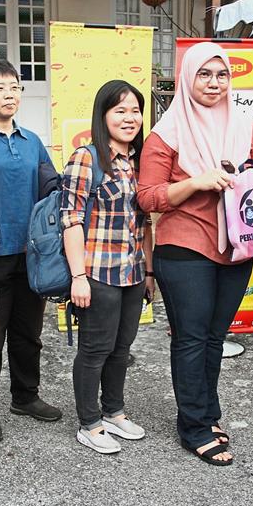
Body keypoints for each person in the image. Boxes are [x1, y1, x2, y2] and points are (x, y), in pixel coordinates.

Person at [138, 42, 253, 467]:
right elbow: (148, 197)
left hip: (236, 245)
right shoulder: (167, 131)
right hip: (184, 245)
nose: (214, 83)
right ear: (186, 78)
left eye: (221, 75)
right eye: (204, 74)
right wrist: (196, 182)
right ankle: (193, 426)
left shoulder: (244, 124)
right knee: (191, 338)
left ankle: (207, 413)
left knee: (214, 337)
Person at [0, 59, 61, 445]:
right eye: (0, 87)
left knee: (28, 334)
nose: (10, 94)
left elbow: (51, 187)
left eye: (15, 87)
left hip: (31, 254)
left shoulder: (32, 141)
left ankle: (25, 396)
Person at [61, 80, 154, 454]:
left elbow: (146, 223)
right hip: (97, 272)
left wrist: (149, 273)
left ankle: (114, 411)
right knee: (95, 349)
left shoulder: (142, 160)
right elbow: (71, 220)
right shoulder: (87, 159)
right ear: (103, 116)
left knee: (122, 348)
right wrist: (78, 277)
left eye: (135, 110)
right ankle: (89, 421)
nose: (129, 118)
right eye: (120, 110)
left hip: (133, 272)